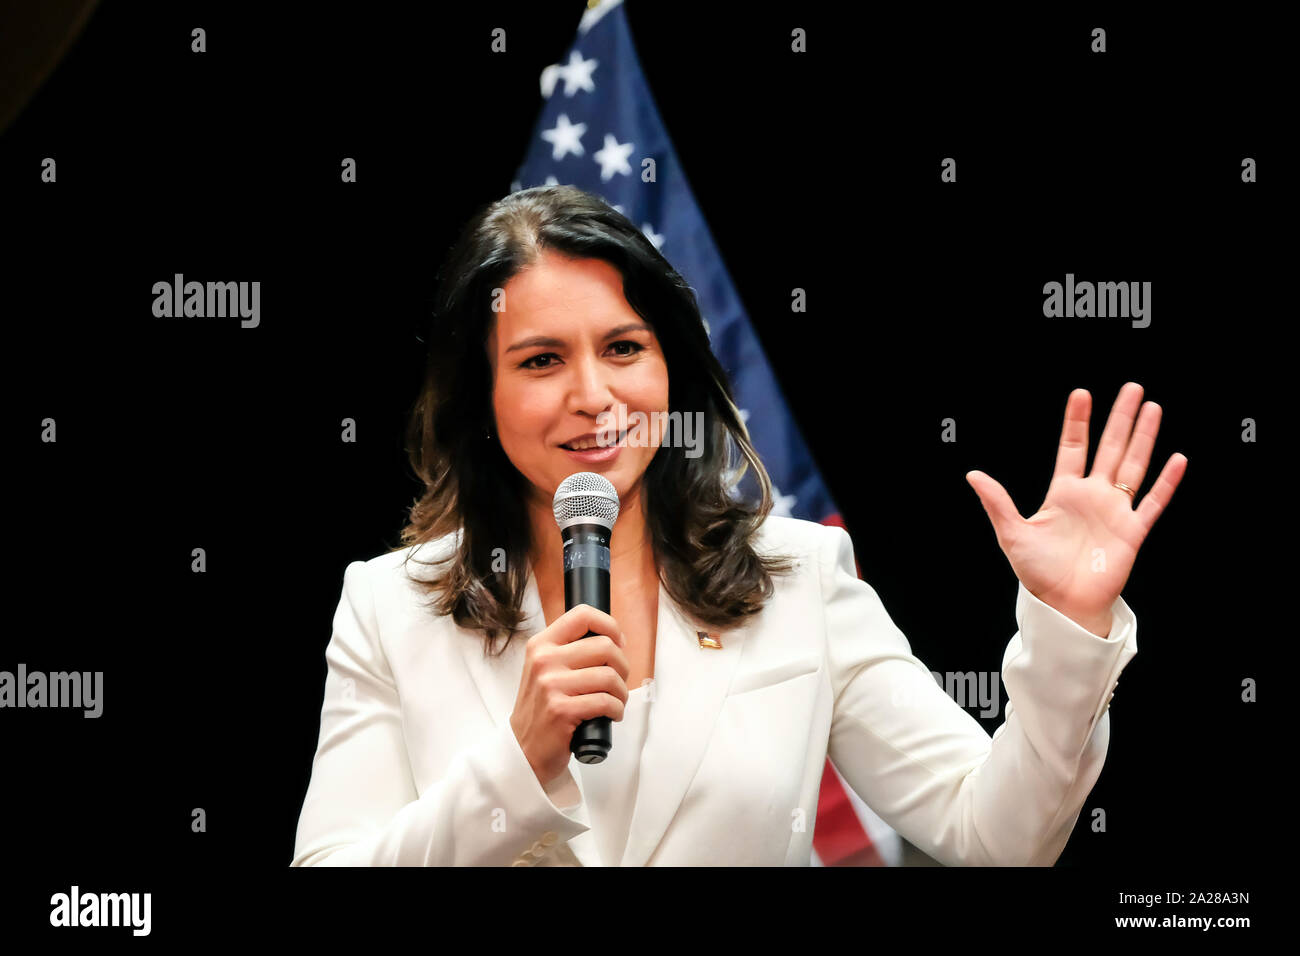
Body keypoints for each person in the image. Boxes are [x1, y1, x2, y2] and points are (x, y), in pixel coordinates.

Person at [290, 185, 1187, 867]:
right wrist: (516, 766)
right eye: (540, 361)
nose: (593, 396)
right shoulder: (386, 607)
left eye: (624, 348)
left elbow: (995, 832)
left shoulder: (800, 575)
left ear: (671, 365)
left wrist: (1070, 628)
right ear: (482, 397)